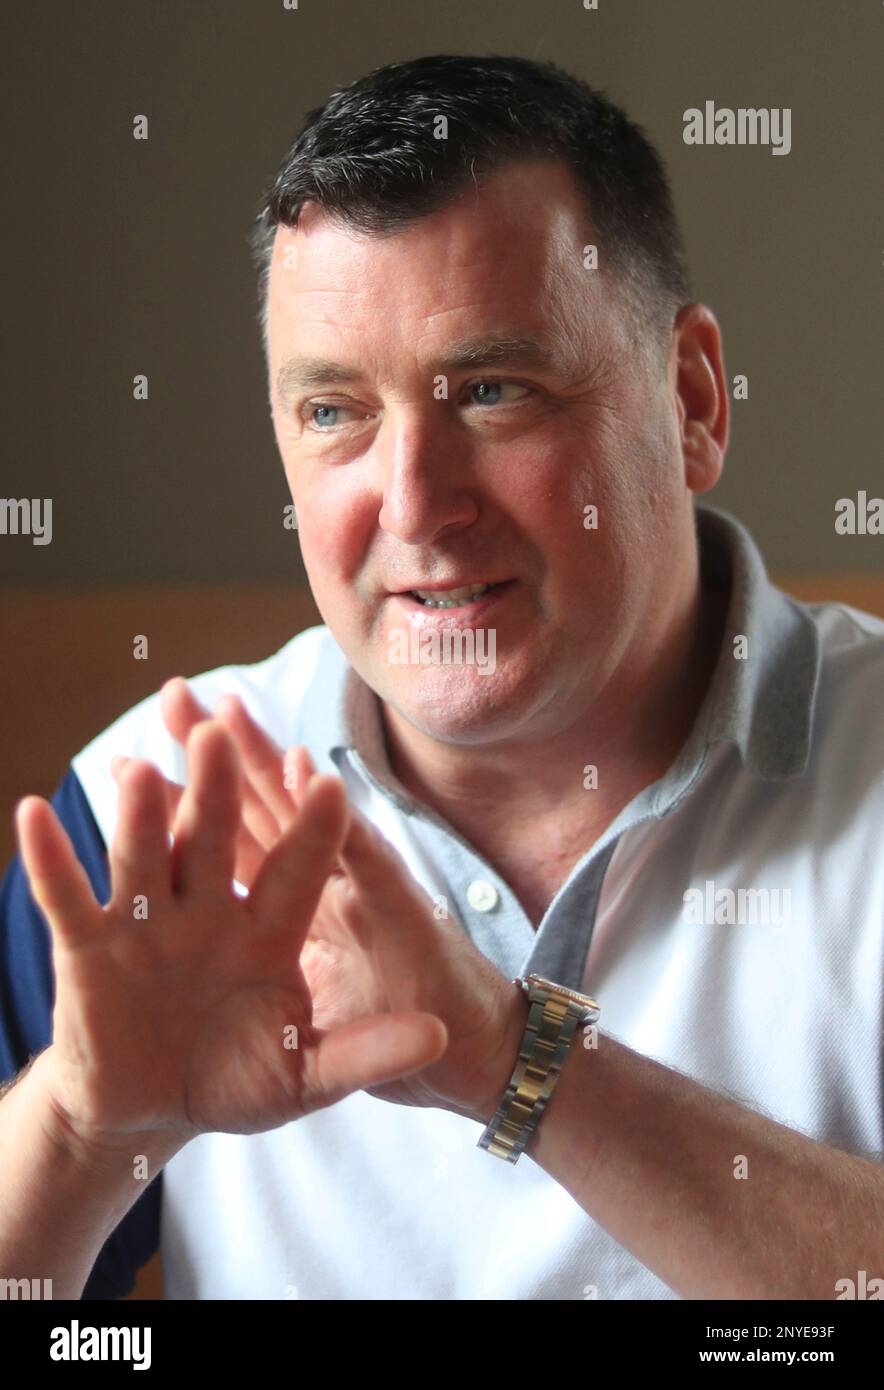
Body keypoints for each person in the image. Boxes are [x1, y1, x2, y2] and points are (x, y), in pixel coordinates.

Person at [2, 53, 883, 1302]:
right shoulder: (145, 811)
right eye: (333, 414)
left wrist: (521, 1062)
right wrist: (84, 1133)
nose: (413, 503)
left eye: (489, 391)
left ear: (689, 399)